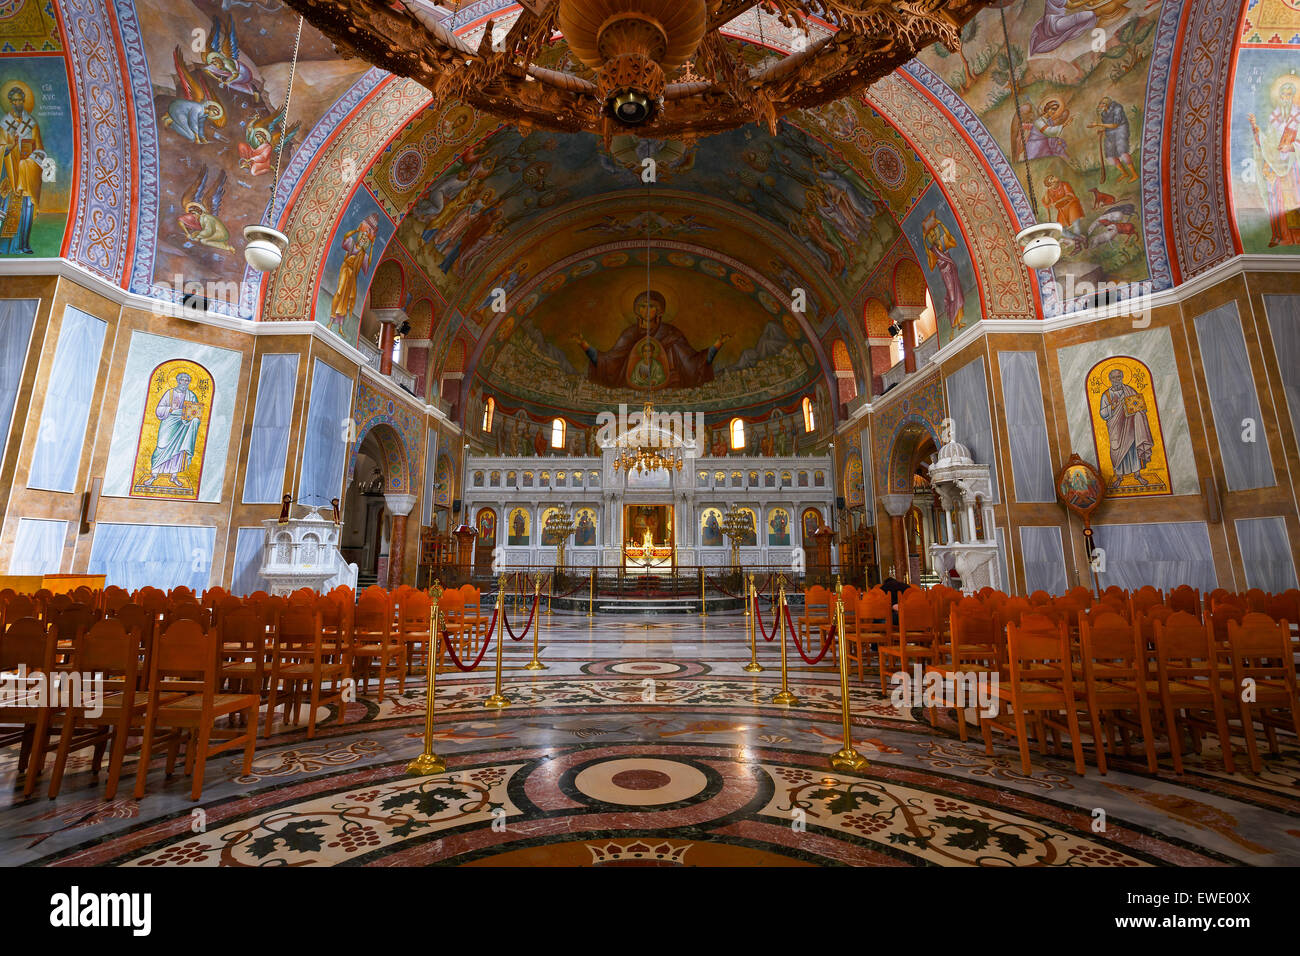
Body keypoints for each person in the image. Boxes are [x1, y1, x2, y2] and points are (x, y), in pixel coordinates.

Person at [573, 290, 729, 390]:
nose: (646, 310)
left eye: (651, 306)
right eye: (642, 306)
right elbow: (609, 362)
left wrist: (717, 344)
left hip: (671, 390)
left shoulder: (671, 333)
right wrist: (584, 344)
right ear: (637, 310)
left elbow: (692, 363)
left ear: (659, 310)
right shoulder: (629, 334)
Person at [0, 82, 46, 255]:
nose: (18, 104)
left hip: (27, 176)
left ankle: (23, 246)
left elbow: (40, 149)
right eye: (15, 101)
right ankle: (4, 247)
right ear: (10, 102)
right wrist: (11, 147)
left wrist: (30, 160)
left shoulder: (31, 123)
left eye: (21, 100)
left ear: (24, 101)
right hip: (10, 175)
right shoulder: (4, 124)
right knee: (7, 209)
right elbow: (1, 148)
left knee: (27, 209)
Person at [1098, 368, 1154, 489]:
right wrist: (1111, 407)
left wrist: (1140, 410)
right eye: (1113, 378)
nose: (1116, 380)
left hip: (1130, 426)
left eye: (1118, 377)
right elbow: (1102, 414)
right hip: (1115, 428)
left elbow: (1139, 404)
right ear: (1110, 379)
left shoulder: (1129, 390)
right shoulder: (1106, 395)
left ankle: (1137, 475)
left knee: (1132, 449)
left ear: (1122, 377)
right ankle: (1119, 477)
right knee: (1116, 449)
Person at [142, 373, 201, 489]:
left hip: (184, 425)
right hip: (169, 423)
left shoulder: (192, 395)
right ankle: (154, 475)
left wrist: (194, 420)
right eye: (182, 380)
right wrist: (170, 409)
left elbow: (196, 413)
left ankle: (174, 476)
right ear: (178, 381)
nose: (185, 382)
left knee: (178, 451)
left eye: (187, 380)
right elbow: (159, 410)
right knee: (161, 446)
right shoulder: (169, 393)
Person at [1088, 96, 1138, 183]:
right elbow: (1109, 125)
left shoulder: (1117, 108)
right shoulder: (1104, 113)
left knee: (1122, 153)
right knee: (1110, 156)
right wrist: (1103, 130)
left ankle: (1135, 175)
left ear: (1105, 104)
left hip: (1121, 132)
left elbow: (1115, 125)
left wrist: (1097, 124)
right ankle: (1124, 173)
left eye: (1101, 105)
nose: (1099, 107)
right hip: (1110, 133)